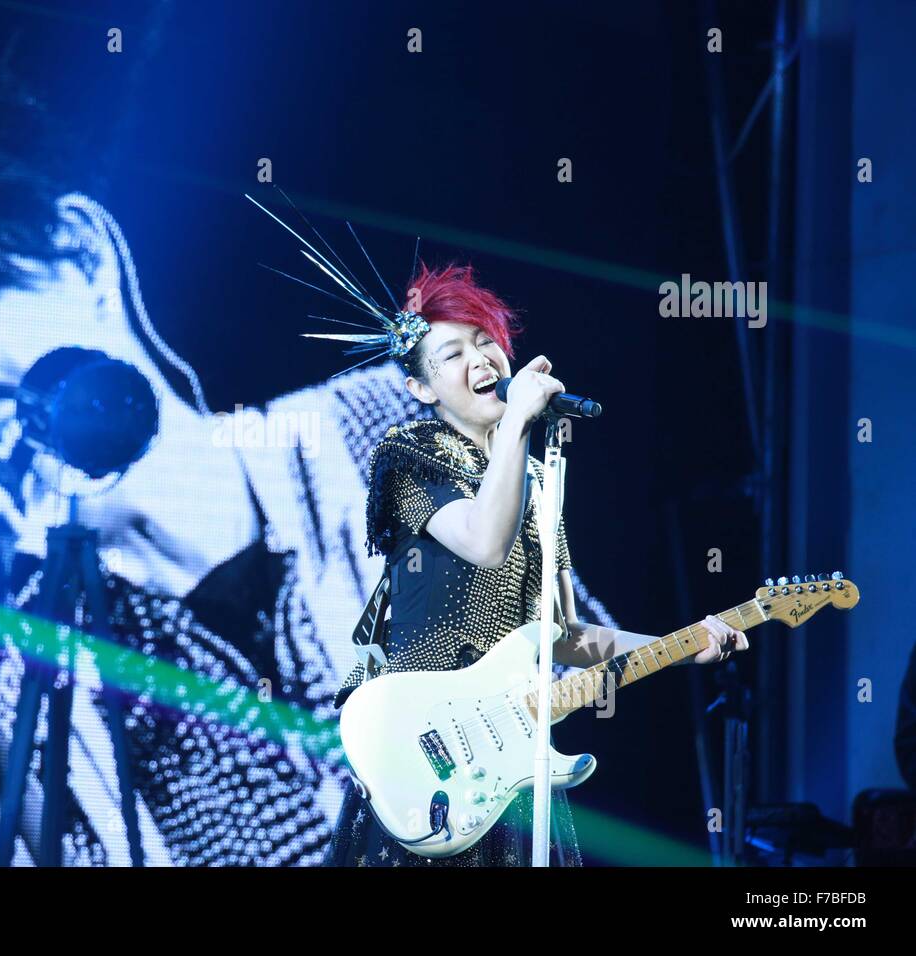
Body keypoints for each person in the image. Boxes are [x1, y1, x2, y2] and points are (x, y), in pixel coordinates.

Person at [315, 263, 752, 867]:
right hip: (427, 758)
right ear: (422, 387)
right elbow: (484, 541)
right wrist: (519, 418)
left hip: (513, 761)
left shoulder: (540, 481)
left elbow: (564, 636)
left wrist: (683, 644)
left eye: (485, 340)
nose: (482, 359)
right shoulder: (406, 455)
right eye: (454, 352)